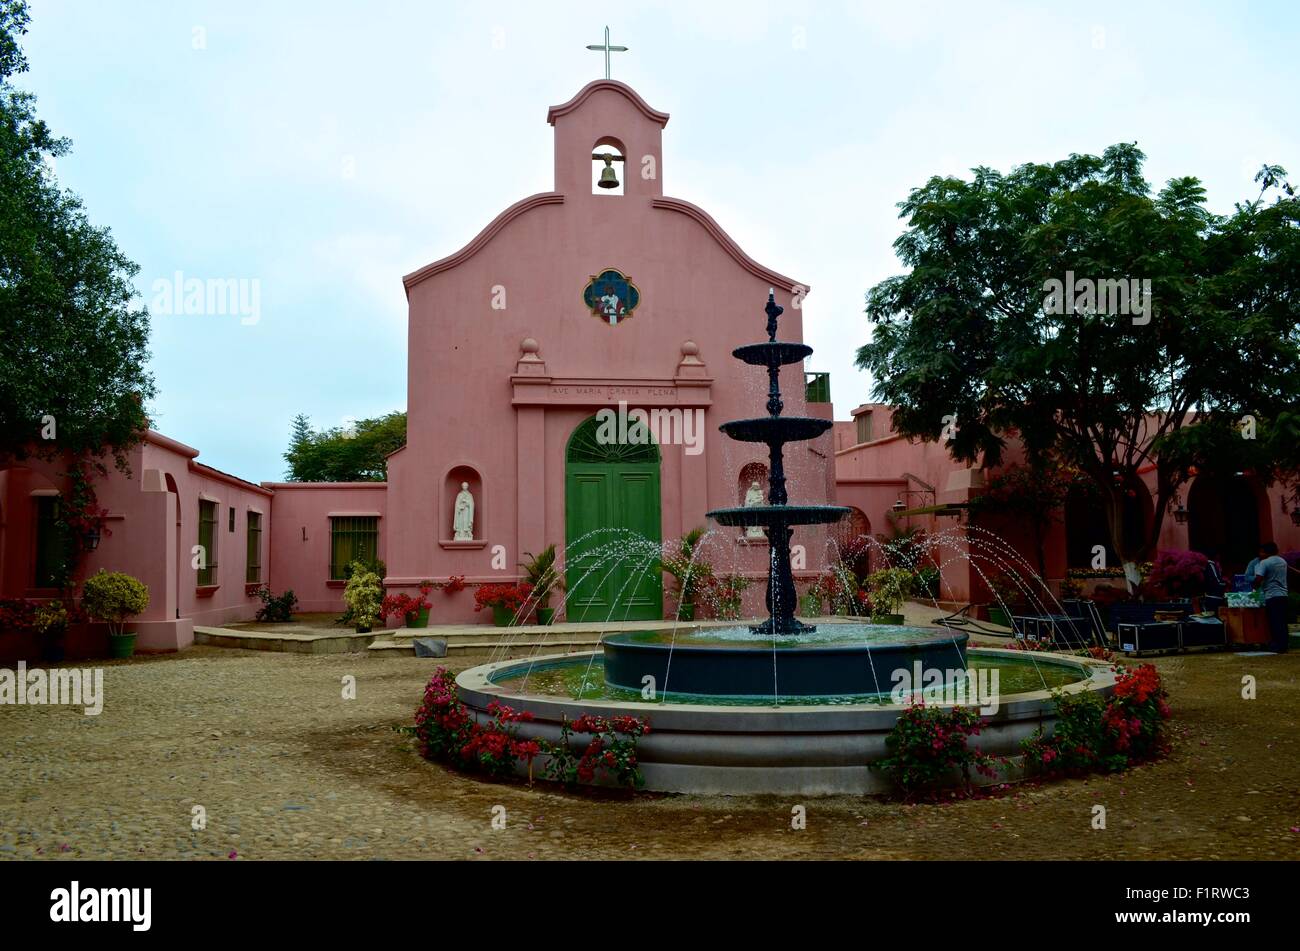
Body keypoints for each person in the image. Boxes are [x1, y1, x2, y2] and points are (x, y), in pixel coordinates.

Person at [1252, 542, 1290, 653]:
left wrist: (1254, 587)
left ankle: (1277, 646)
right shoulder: (1282, 561)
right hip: (1283, 595)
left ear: (1266, 552)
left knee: (1274, 622)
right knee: (1282, 622)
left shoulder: (1265, 562)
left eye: (1261, 551)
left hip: (1272, 595)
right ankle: (1284, 644)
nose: (1260, 554)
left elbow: (1258, 578)